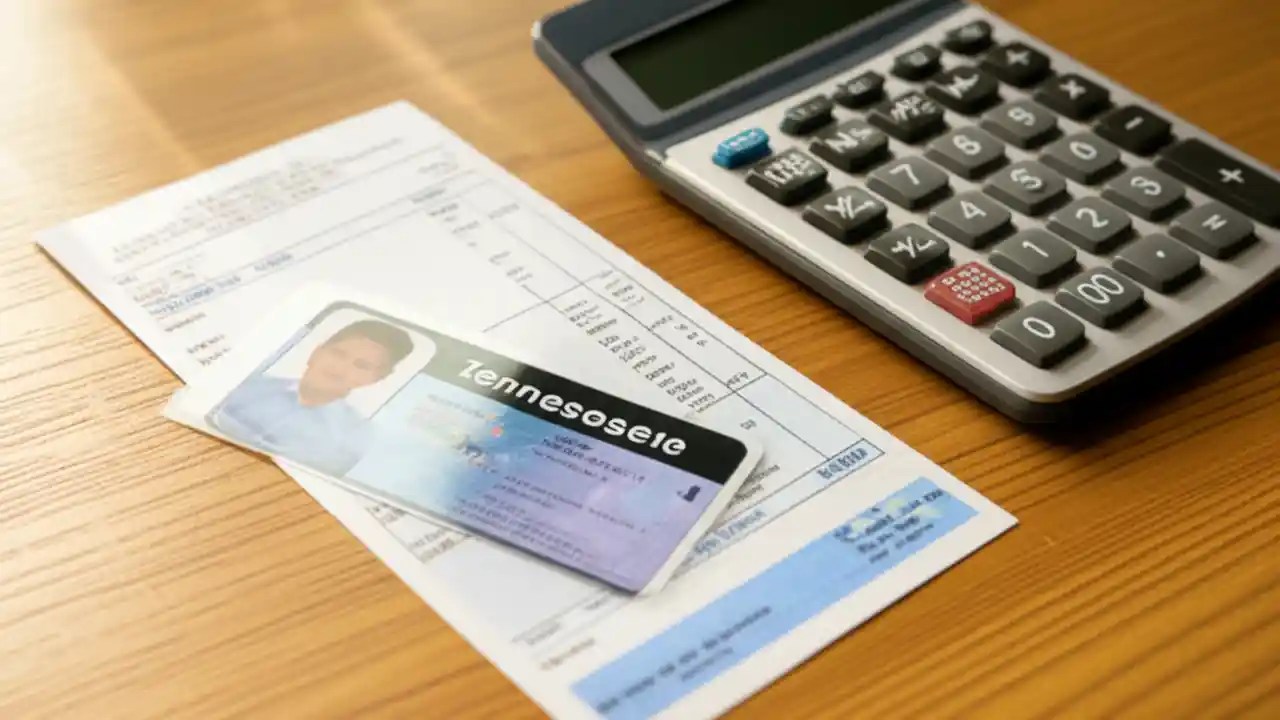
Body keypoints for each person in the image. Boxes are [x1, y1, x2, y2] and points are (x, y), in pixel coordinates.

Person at [213, 319, 414, 476]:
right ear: (317, 352)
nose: (341, 368)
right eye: (338, 353)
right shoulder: (248, 385)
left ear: (376, 379)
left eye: (361, 366)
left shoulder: (355, 436)